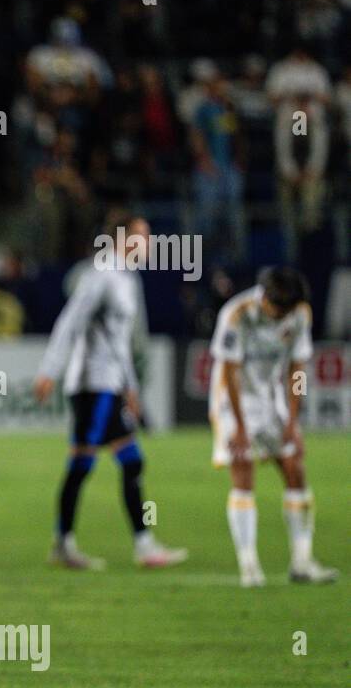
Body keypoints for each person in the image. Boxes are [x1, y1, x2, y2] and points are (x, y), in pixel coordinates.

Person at [32, 212, 186, 570]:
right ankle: (67, 543)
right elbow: (71, 320)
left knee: (130, 462)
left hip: (110, 385)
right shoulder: (100, 275)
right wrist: (48, 371)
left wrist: (130, 385)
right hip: (92, 386)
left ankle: (140, 544)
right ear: (123, 240)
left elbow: (119, 342)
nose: (149, 244)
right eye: (143, 237)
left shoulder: (126, 279)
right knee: (83, 464)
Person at [209, 267, 337, 587]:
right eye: (278, 309)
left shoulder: (299, 315)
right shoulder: (236, 314)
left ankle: (302, 563)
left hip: (270, 397)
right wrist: (238, 427)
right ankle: (249, 566)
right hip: (231, 399)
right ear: (264, 297)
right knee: (243, 469)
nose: (281, 316)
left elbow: (297, 369)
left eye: (287, 310)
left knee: (295, 468)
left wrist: (293, 421)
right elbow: (229, 371)